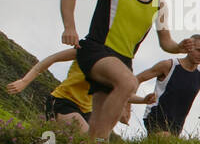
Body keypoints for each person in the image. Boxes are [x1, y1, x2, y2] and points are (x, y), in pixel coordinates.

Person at [58, 0, 187, 140]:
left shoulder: (159, 4)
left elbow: (166, 42)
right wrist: (69, 27)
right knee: (128, 83)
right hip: (97, 50)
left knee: (99, 123)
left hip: (124, 61)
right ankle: (100, 143)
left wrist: (179, 47)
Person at [7, 47, 154, 133]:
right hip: (62, 101)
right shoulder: (87, 50)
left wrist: (143, 100)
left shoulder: (116, 67)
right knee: (84, 138)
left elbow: (122, 92)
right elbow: (52, 58)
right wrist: (24, 81)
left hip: (87, 111)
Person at [135, 35, 200, 136]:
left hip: (177, 125)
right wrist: (127, 102)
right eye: (198, 50)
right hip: (155, 117)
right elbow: (137, 79)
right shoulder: (169, 66)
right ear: (189, 48)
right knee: (166, 140)